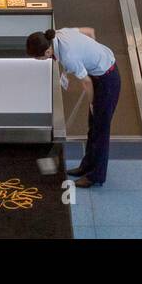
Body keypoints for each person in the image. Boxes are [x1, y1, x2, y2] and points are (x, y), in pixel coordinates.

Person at [26, 27, 119, 188]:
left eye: (39, 58)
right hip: (98, 73)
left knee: (101, 130)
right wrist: (93, 54)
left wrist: (92, 104)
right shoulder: (59, 34)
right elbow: (89, 31)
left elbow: (87, 82)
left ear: (48, 51)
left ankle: (95, 177)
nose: (40, 60)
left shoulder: (69, 57)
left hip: (107, 79)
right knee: (93, 127)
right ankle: (87, 166)